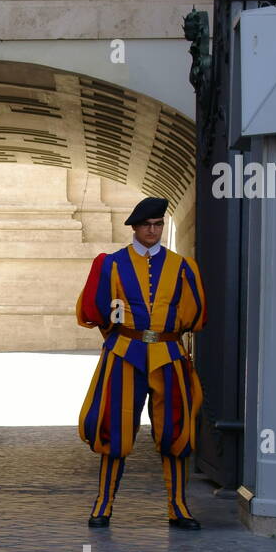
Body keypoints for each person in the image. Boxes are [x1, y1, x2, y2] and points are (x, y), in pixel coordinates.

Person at [75, 196, 207, 529]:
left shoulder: (182, 266)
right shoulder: (112, 264)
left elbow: (193, 315)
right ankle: (103, 505)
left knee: (175, 430)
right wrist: (120, 337)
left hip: (168, 354)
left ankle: (178, 507)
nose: (153, 230)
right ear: (135, 227)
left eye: (158, 224)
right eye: (147, 225)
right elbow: (96, 310)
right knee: (113, 431)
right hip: (124, 354)